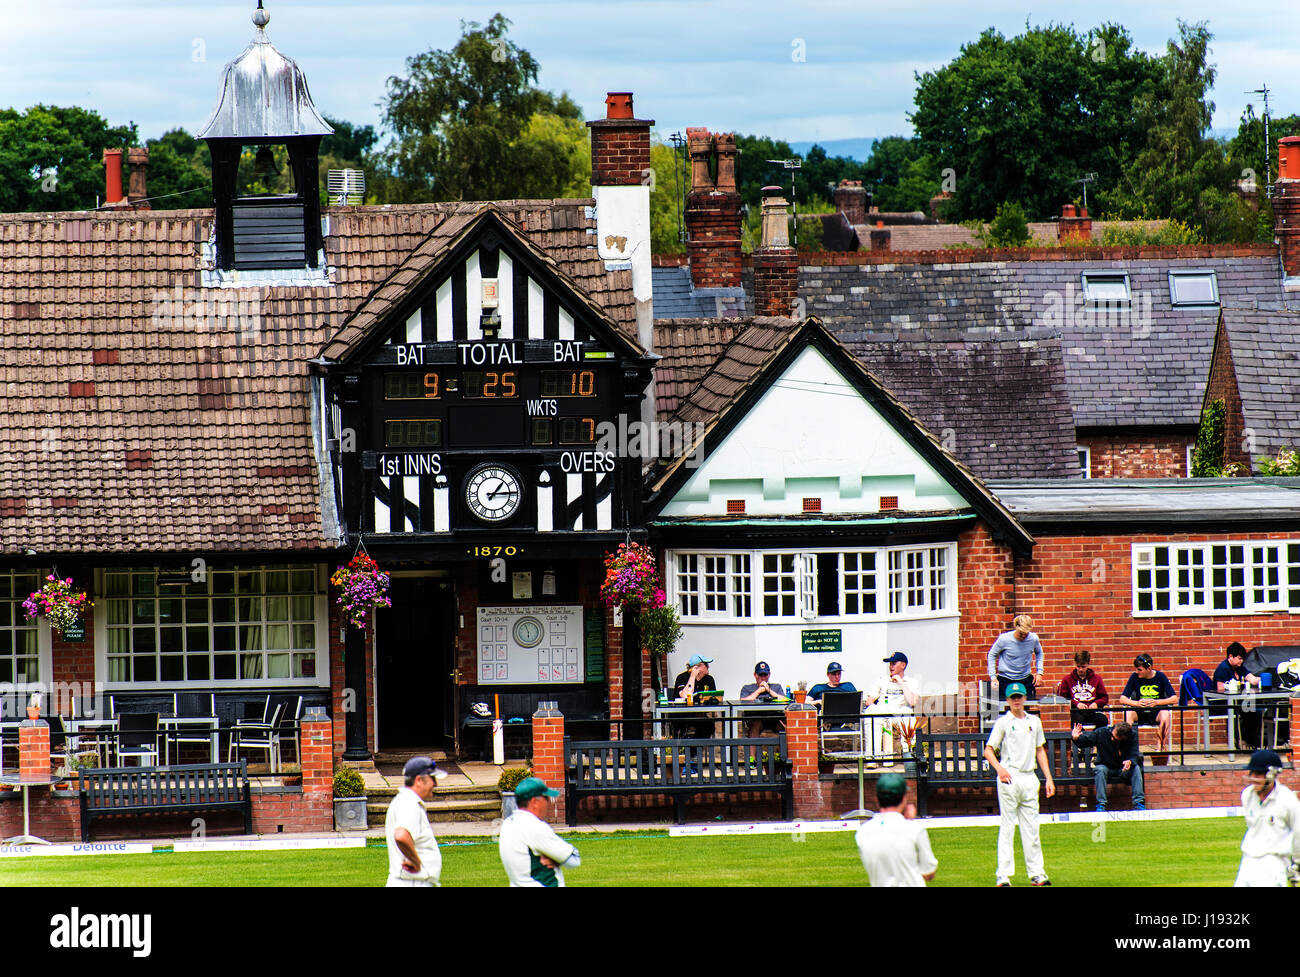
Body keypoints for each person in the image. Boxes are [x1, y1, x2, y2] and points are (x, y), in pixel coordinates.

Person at [984, 682, 1055, 887]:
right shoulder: (1003, 722)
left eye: (1019, 696)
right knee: (1007, 826)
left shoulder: (1035, 721)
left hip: (1029, 777)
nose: (1016, 700)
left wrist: (1048, 778)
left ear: (1025, 698)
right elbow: (989, 750)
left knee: (1032, 828)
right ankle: (1003, 876)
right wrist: (1000, 769)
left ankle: (1037, 873)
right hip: (1009, 777)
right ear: (1007, 700)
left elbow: (1040, 750)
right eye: (1013, 697)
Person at [855, 773, 938, 887]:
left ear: (877, 798)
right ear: (904, 798)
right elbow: (928, 873)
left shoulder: (863, 832)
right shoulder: (914, 830)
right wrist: (910, 822)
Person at [498, 776, 582, 887]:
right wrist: (557, 860)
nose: (548, 803)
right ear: (535, 802)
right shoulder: (534, 827)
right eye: (546, 798)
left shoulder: (507, 824)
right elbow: (573, 860)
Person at [1235, 749, 1300, 887]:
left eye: (1258, 773)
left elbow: (1298, 834)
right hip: (1248, 860)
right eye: (1251, 772)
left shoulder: (1288, 801)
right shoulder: (1247, 795)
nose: (1253, 777)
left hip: (1273, 863)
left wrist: (1297, 864)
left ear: (1272, 774)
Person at [384, 755, 447, 887]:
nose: (435, 784)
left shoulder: (405, 801)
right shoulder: (409, 803)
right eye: (432, 779)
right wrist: (416, 862)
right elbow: (401, 835)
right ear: (419, 780)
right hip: (412, 882)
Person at [1071, 721, 1144, 812]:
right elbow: (1086, 741)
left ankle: (1139, 803)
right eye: (1112, 735)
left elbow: (1134, 754)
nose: (1112, 738)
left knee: (1136, 768)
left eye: (1115, 738)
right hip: (1106, 766)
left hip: (1123, 768)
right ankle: (1101, 805)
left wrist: (1130, 761)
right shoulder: (1102, 732)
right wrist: (1076, 738)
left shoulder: (1132, 736)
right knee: (1100, 769)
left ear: (1125, 738)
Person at [863, 652, 920, 756]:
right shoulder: (882, 680)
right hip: (883, 712)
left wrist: (900, 682)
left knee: (908, 714)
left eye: (894, 663)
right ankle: (872, 756)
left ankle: (908, 754)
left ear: (903, 665)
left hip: (899, 713)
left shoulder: (911, 682)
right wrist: (876, 707)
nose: (891, 666)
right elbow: (869, 701)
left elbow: (912, 702)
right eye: (890, 664)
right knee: (870, 712)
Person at [1119, 654, 1178, 753]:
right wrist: (1137, 703)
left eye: (1139, 670)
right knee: (1128, 713)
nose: (1137, 672)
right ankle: (1128, 749)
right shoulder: (1134, 677)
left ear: (1149, 668)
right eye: (1136, 669)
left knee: (1166, 714)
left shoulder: (1161, 677)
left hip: (1156, 712)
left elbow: (1174, 698)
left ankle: (1160, 748)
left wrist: (1157, 702)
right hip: (1139, 711)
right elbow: (1122, 699)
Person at [1214, 641, 1262, 749]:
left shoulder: (1239, 667)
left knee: (1255, 710)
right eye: (1239, 658)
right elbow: (1220, 689)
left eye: (1242, 658)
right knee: (1251, 711)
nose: (1242, 661)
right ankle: (1245, 740)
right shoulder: (1223, 669)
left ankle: (1250, 741)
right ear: (1231, 656)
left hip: (1240, 701)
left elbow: (1253, 680)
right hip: (1224, 703)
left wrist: (1264, 678)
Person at [987, 615, 1044, 701]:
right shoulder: (1004, 639)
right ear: (1016, 627)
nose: (1024, 636)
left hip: (1025, 678)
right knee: (1004, 708)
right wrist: (993, 677)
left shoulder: (1033, 638)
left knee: (1026, 707)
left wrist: (1039, 673)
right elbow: (992, 655)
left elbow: (1039, 653)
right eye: (1021, 633)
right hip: (1005, 679)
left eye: (1026, 634)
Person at [1056, 650, 1110, 728]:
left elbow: (1104, 698)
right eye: (1078, 666)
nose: (1080, 669)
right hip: (1076, 711)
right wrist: (1076, 703)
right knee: (1077, 722)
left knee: (1103, 720)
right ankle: (1080, 739)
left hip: (1092, 711)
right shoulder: (1067, 679)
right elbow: (1063, 699)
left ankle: (1096, 738)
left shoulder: (1097, 679)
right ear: (1075, 664)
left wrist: (1096, 703)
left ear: (1088, 664)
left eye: (1083, 667)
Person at [671, 653, 717, 739]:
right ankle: (689, 749)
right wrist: (692, 676)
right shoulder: (682, 677)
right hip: (682, 714)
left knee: (708, 726)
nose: (708, 667)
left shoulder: (709, 679)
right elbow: (684, 696)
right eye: (706, 665)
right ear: (696, 667)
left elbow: (713, 698)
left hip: (700, 714)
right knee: (683, 726)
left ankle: (695, 750)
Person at [739, 661, 786, 737]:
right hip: (756, 717)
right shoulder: (747, 688)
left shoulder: (776, 687)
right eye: (760, 675)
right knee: (755, 724)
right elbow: (742, 701)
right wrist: (758, 691)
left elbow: (785, 700)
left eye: (765, 675)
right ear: (755, 675)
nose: (763, 678)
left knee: (786, 728)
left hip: (774, 718)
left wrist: (769, 691)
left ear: (769, 675)